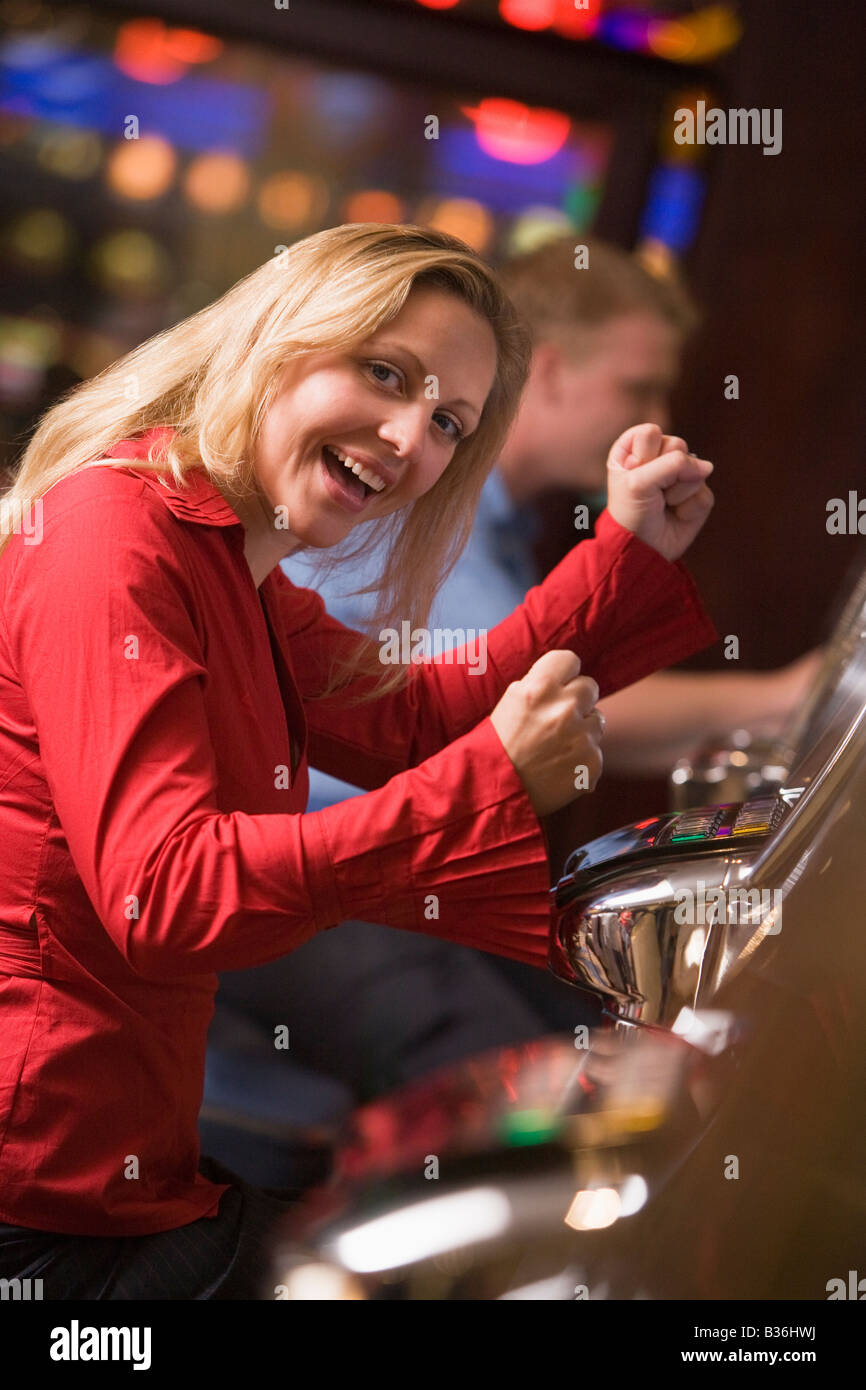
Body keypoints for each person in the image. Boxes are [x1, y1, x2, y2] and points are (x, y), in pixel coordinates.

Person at [0, 223, 717, 1298]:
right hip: (39, 1197)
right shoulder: (115, 533)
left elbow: (412, 714)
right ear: (283, 336)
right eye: (384, 374)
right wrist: (490, 781)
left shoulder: (222, 548)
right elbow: (163, 890)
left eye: (445, 422)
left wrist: (622, 550)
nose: (404, 436)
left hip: (118, 1163)